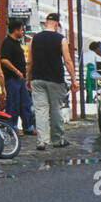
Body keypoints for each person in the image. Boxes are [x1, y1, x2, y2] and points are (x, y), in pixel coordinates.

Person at [27, 12, 77, 151]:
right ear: (56, 24)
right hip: (55, 79)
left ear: (45, 24)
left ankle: (42, 141)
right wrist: (74, 80)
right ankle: (57, 139)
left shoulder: (34, 39)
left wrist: (27, 78)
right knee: (55, 109)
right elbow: (67, 60)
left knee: (40, 110)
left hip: (37, 79)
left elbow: (29, 61)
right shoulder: (61, 39)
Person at [0, 20, 36, 135]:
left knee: (25, 102)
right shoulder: (7, 43)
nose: (22, 31)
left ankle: (28, 126)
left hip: (21, 79)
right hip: (12, 79)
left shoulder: (17, 43)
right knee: (13, 103)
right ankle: (12, 126)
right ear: (16, 30)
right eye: (21, 29)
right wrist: (16, 71)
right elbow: (4, 60)